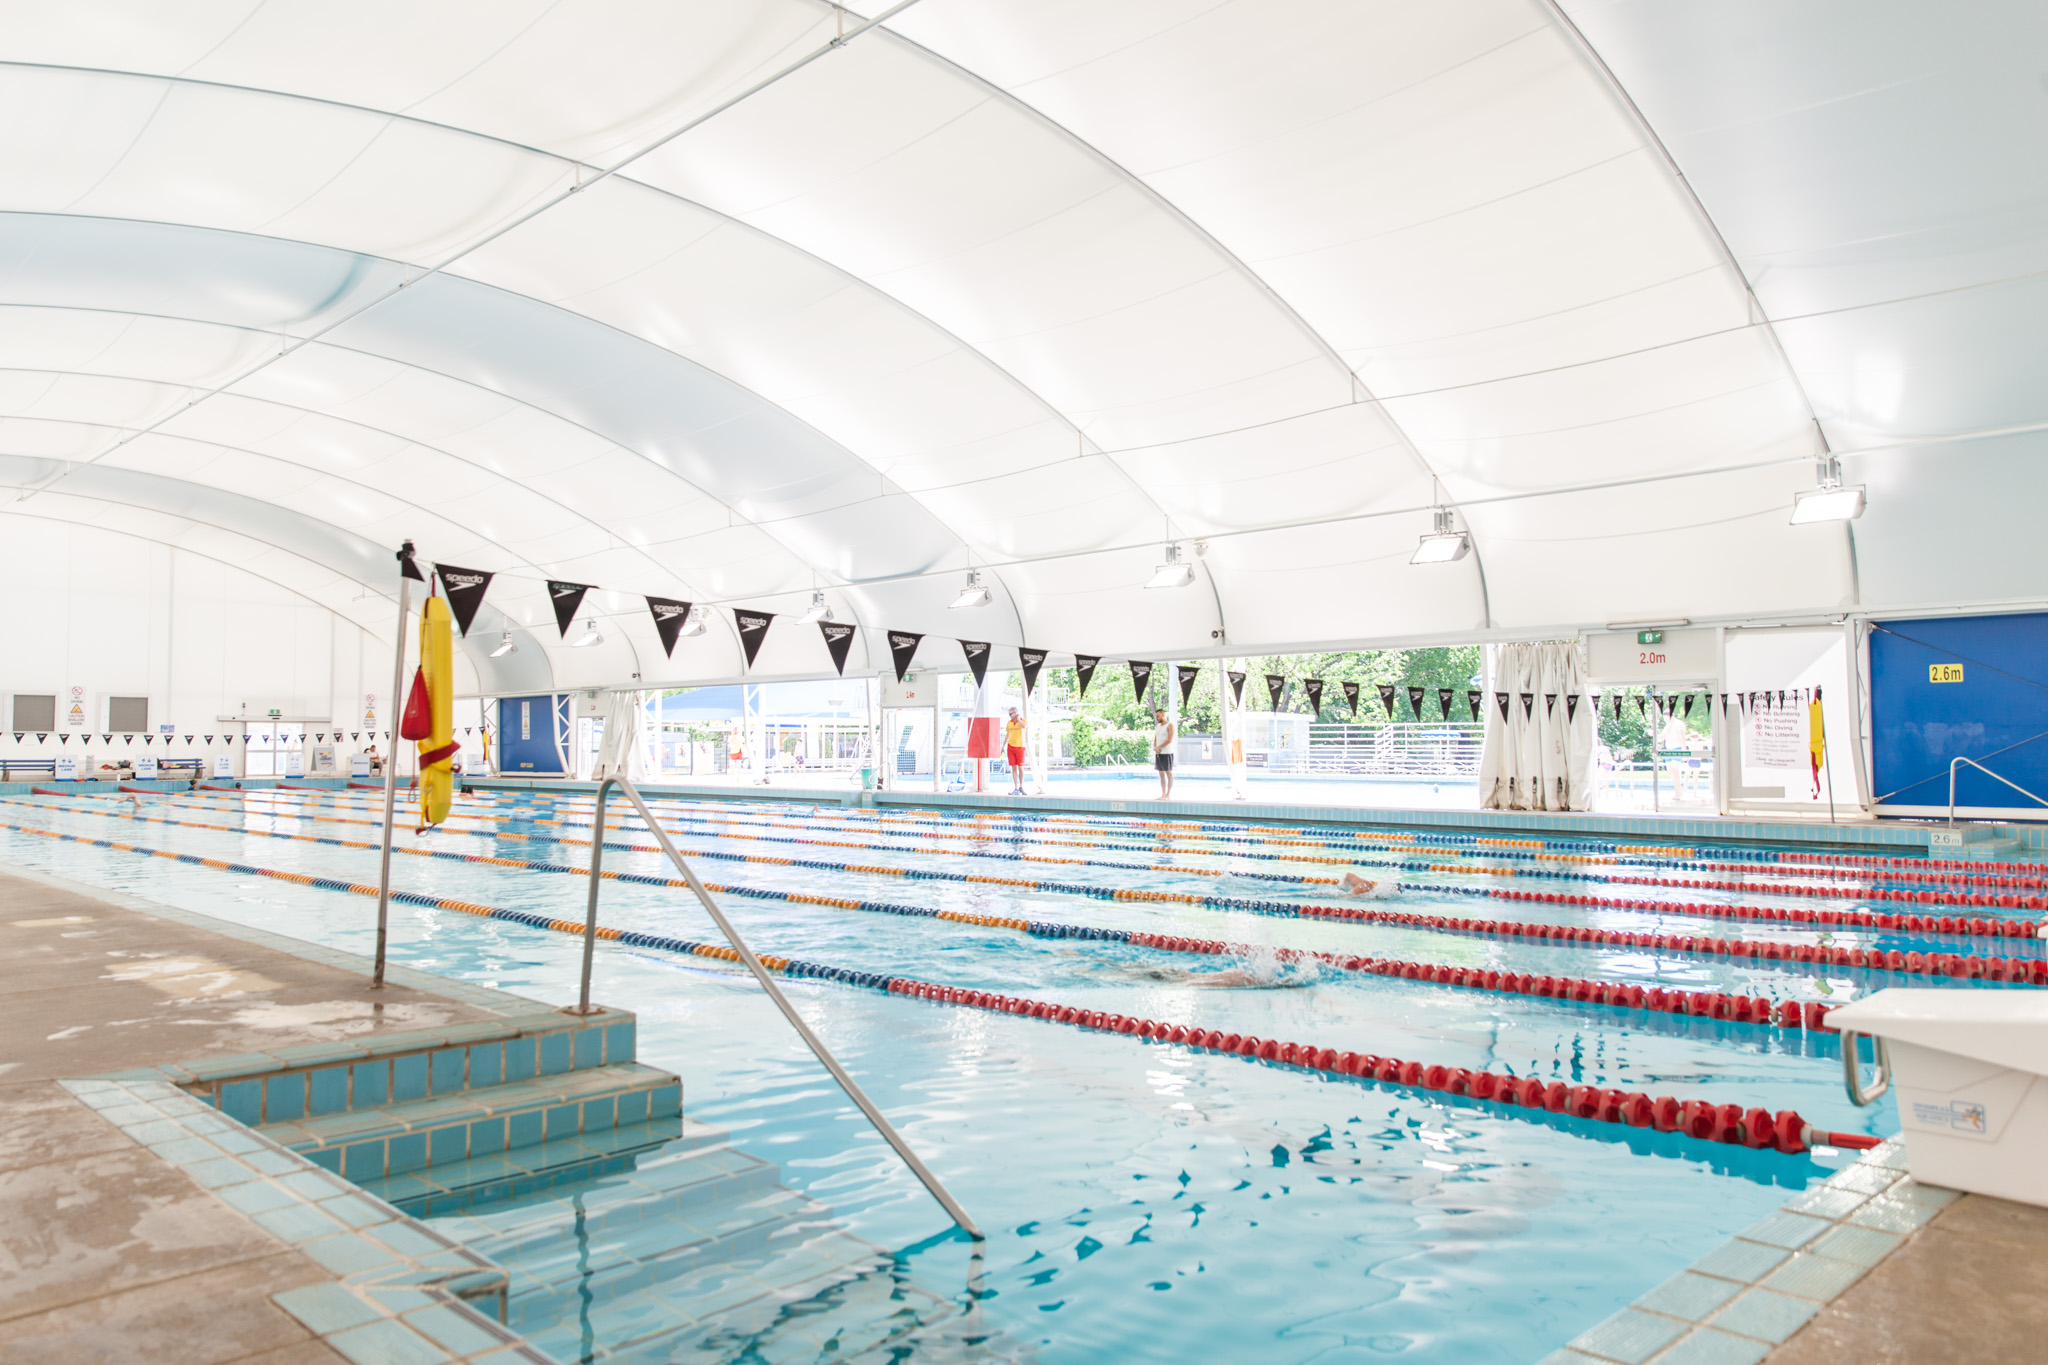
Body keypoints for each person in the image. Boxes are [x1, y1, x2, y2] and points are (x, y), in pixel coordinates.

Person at [1151, 706, 1176, 800]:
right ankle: (1163, 794)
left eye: (1158, 716)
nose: (1157, 718)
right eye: (1156, 717)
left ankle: (1168, 795)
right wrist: (1155, 747)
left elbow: (1170, 740)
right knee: (1161, 774)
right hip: (1159, 754)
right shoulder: (1157, 726)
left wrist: (1160, 747)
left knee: (1168, 773)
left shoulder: (1170, 726)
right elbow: (1156, 738)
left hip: (1167, 753)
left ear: (1163, 715)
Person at [1004, 707, 1027, 794]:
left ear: (1016, 713)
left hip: (1020, 747)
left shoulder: (1022, 721)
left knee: (1021, 768)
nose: (1010, 716)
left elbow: (1024, 726)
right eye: (1009, 714)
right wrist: (1003, 746)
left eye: (1011, 714)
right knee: (1013, 767)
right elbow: (1008, 734)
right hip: (1011, 747)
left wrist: (1018, 719)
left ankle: (1021, 786)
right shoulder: (1009, 723)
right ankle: (1016, 787)